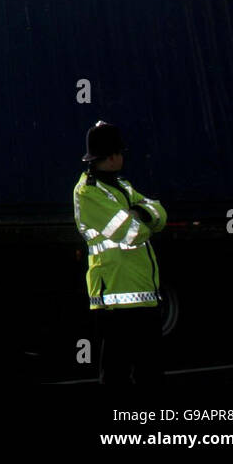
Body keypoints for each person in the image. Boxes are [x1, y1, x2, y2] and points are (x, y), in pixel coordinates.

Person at [72, 120, 167, 385]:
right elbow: (133, 232)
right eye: (120, 152)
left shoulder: (122, 186)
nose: (123, 156)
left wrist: (141, 213)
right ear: (112, 157)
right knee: (116, 375)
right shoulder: (87, 191)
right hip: (114, 300)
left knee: (150, 373)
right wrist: (141, 215)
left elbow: (160, 212)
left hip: (144, 296)